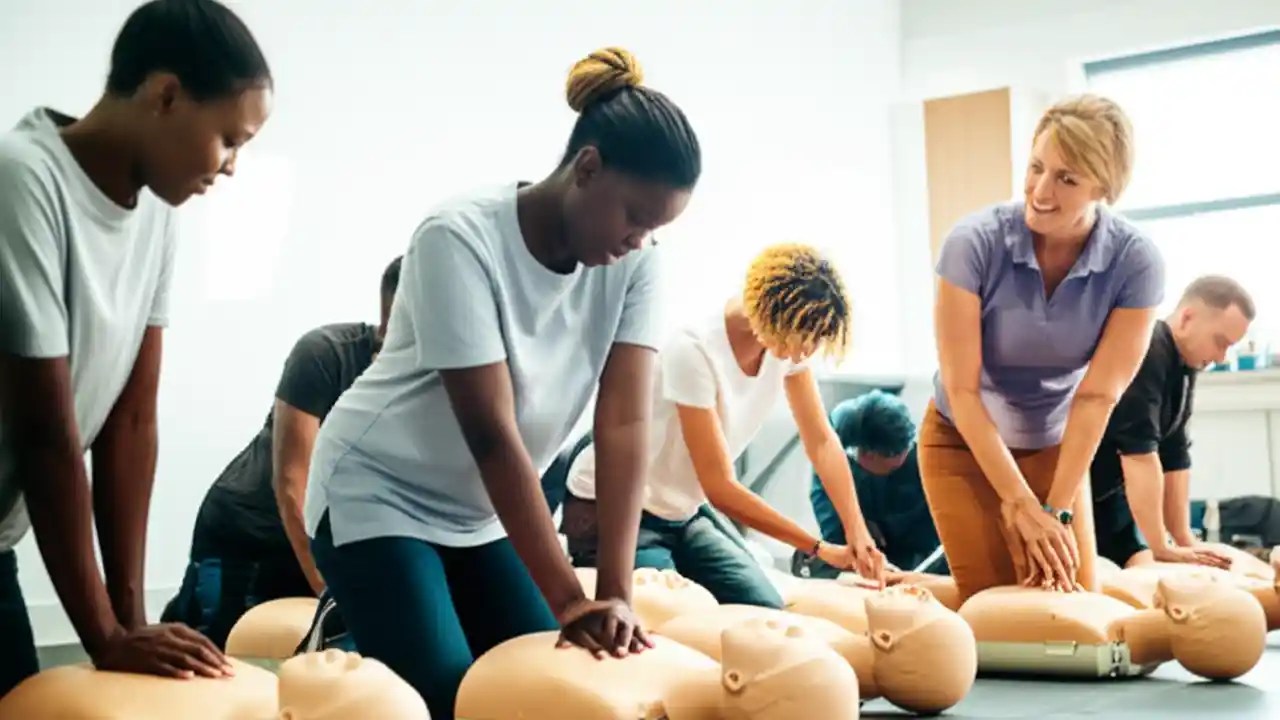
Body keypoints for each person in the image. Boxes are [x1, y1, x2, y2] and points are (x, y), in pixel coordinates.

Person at [301, 47, 700, 719]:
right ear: (588, 167)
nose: (639, 239)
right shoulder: (458, 238)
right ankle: (350, 638)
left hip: (482, 515)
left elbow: (625, 425)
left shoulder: (638, 266)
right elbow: (490, 432)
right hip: (376, 493)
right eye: (634, 215)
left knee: (539, 689)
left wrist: (615, 592)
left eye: (655, 227)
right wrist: (569, 601)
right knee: (452, 694)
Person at [0, 0, 272, 697]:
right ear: (166, 95)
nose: (233, 166)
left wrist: (131, 621)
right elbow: (45, 432)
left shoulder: (157, 209)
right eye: (228, 139)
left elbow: (129, 422)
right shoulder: (23, 178)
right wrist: (106, 638)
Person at [923, 93, 1165, 604]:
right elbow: (963, 390)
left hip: (1053, 449)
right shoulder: (972, 243)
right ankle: (899, 594)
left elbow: (1098, 397)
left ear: (1105, 188)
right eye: (1036, 167)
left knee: (1068, 607)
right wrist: (1015, 502)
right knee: (995, 610)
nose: (1040, 190)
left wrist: (1054, 511)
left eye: (1067, 179)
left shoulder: (1135, 263)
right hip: (962, 441)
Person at [562, 243, 886, 608]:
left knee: (766, 606)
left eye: (814, 342)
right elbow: (720, 487)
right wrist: (818, 548)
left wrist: (856, 530)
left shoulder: (785, 345)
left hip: (680, 512)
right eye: (802, 340)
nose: (803, 354)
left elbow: (822, 442)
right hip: (612, 510)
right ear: (769, 314)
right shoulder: (693, 351)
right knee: (671, 614)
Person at [160, 257, 402, 648]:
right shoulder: (325, 353)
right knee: (217, 658)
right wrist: (332, 591)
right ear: (390, 313)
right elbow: (292, 481)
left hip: (325, 544)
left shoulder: (438, 382)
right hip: (249, 535)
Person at [1091, 275, 1254, 570]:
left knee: (1152, 567)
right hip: (1084, 496)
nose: (1221, 357)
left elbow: (1175, 453)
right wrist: (1160, 546)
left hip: (1111, 499)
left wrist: (1183, 539)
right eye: (1220, 343)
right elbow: (1138, 453)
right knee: (1139, 573)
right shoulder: (1148, 347)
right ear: (1187, 317)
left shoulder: (1186, 363)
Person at [808, 390, 946, 577]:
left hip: (913, 544)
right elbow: (827, 505)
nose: (902, 457)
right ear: (867, 455)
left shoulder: (921, 451)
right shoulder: (834, 444)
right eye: (892, 458)